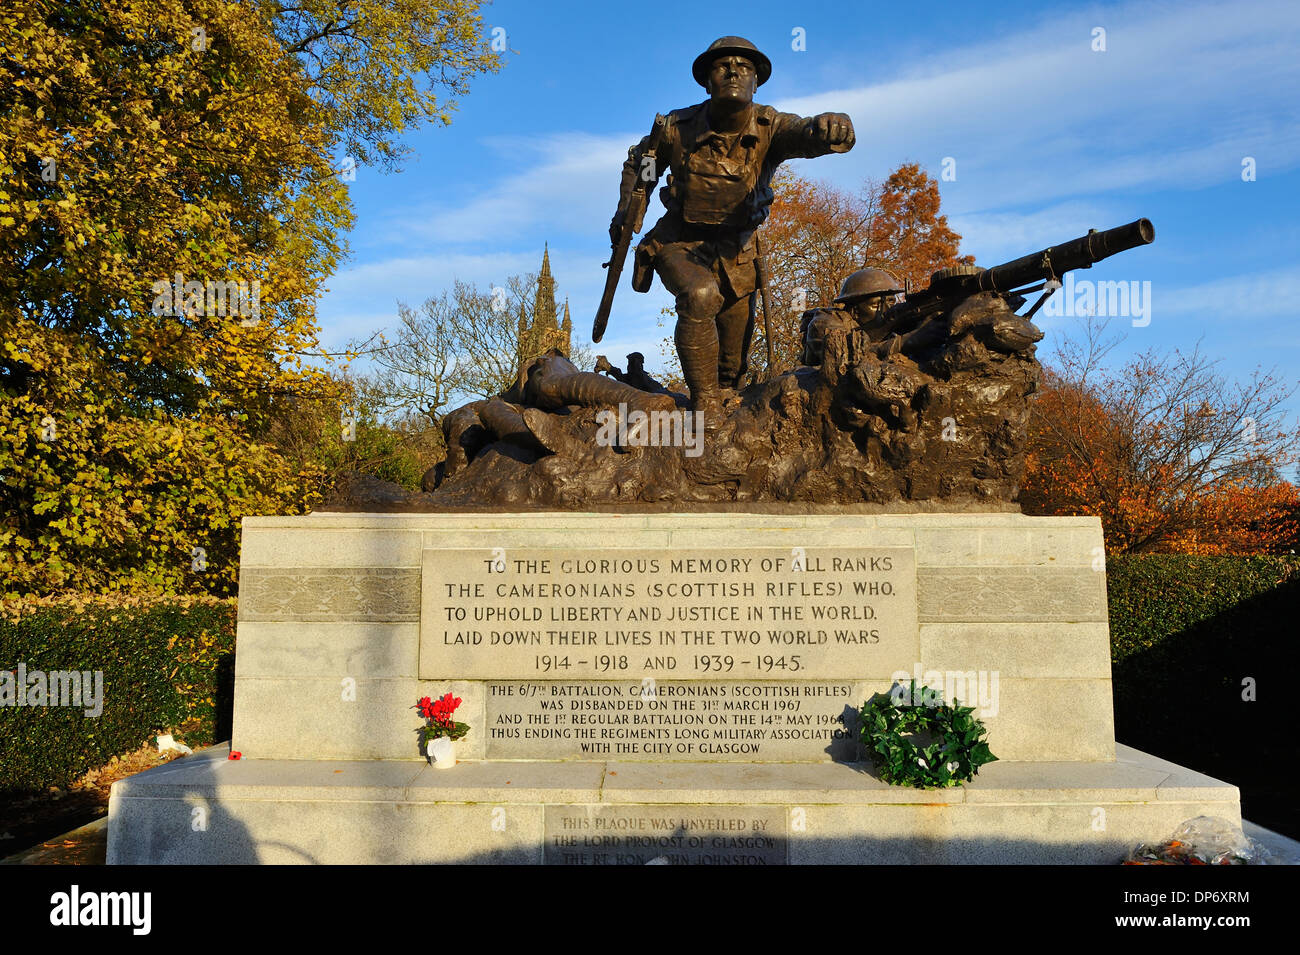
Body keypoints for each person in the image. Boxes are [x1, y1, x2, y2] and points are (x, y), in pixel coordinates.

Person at [612, 36, 854, 416]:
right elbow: (644, 165)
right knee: (700, 296)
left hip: (738, 254)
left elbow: (806, 133)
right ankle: (703, 405)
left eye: (744, 67)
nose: (733, 72)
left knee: (731, 366)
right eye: (722, 66)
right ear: (707, 81)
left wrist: (831, 128)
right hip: (680, 244)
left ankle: (723, 410)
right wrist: (628, 208)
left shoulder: (770, 126)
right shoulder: (676, 127)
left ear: (756, 82)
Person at [799, 268, 904, 365]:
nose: (886, 311)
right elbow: (849, 357)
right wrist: (904, 342)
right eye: (876, 305)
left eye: (891, 303)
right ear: (854, 310)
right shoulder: (823, 324)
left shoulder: (890, 329)